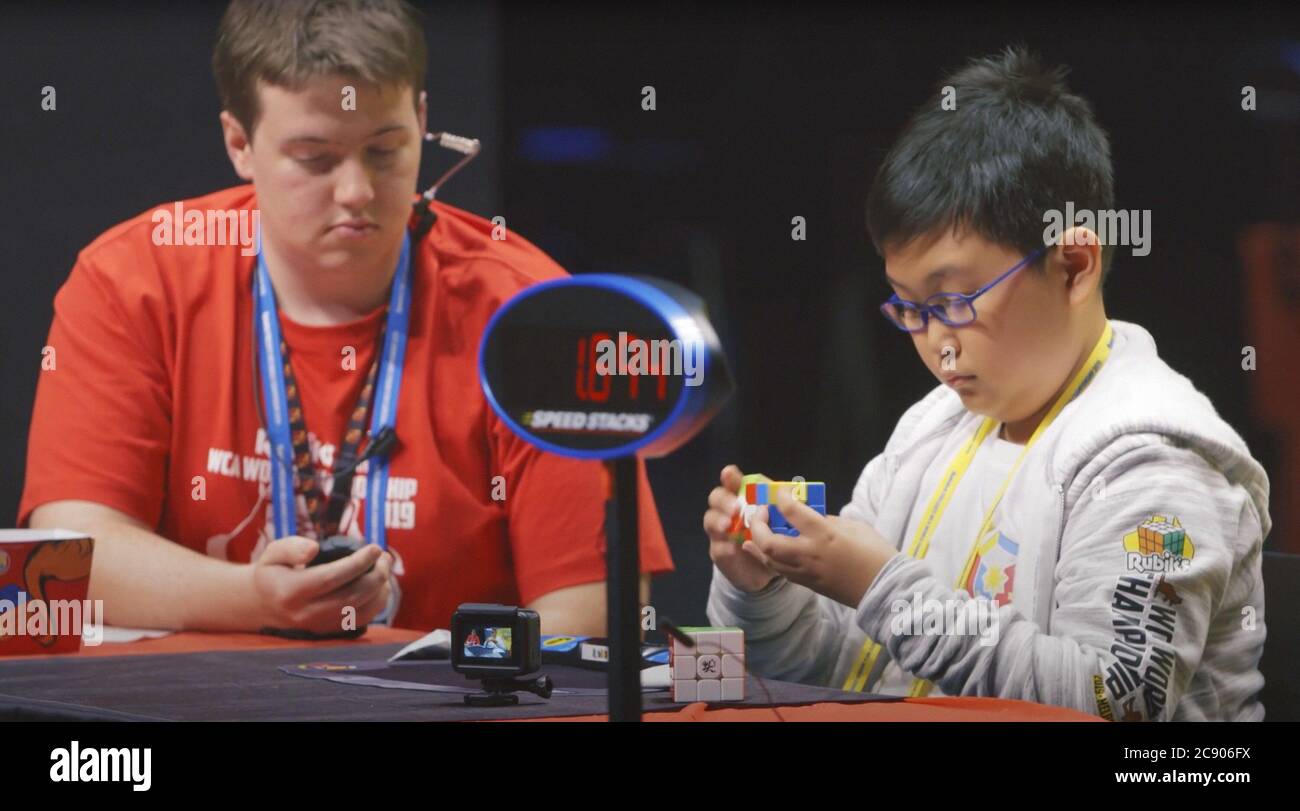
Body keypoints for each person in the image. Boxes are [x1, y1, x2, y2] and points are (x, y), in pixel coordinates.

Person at [19, 0, 672, 637]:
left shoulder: (535, 317)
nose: (357, 192)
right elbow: (69, 558)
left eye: (385, 150)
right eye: (315, 158)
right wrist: (254, 599)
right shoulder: (133, 280)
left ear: (421, 120)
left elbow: (596, 615)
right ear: (239, 143)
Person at [702, 47, 1269, 721]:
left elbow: (1114, 699)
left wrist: (883, 586)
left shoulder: (1155, 461)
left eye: (956, 300)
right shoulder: (933, 427)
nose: (936, 341)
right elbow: (834, 669)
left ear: (1073, 265)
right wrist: (764, 590)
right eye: (909, 307)